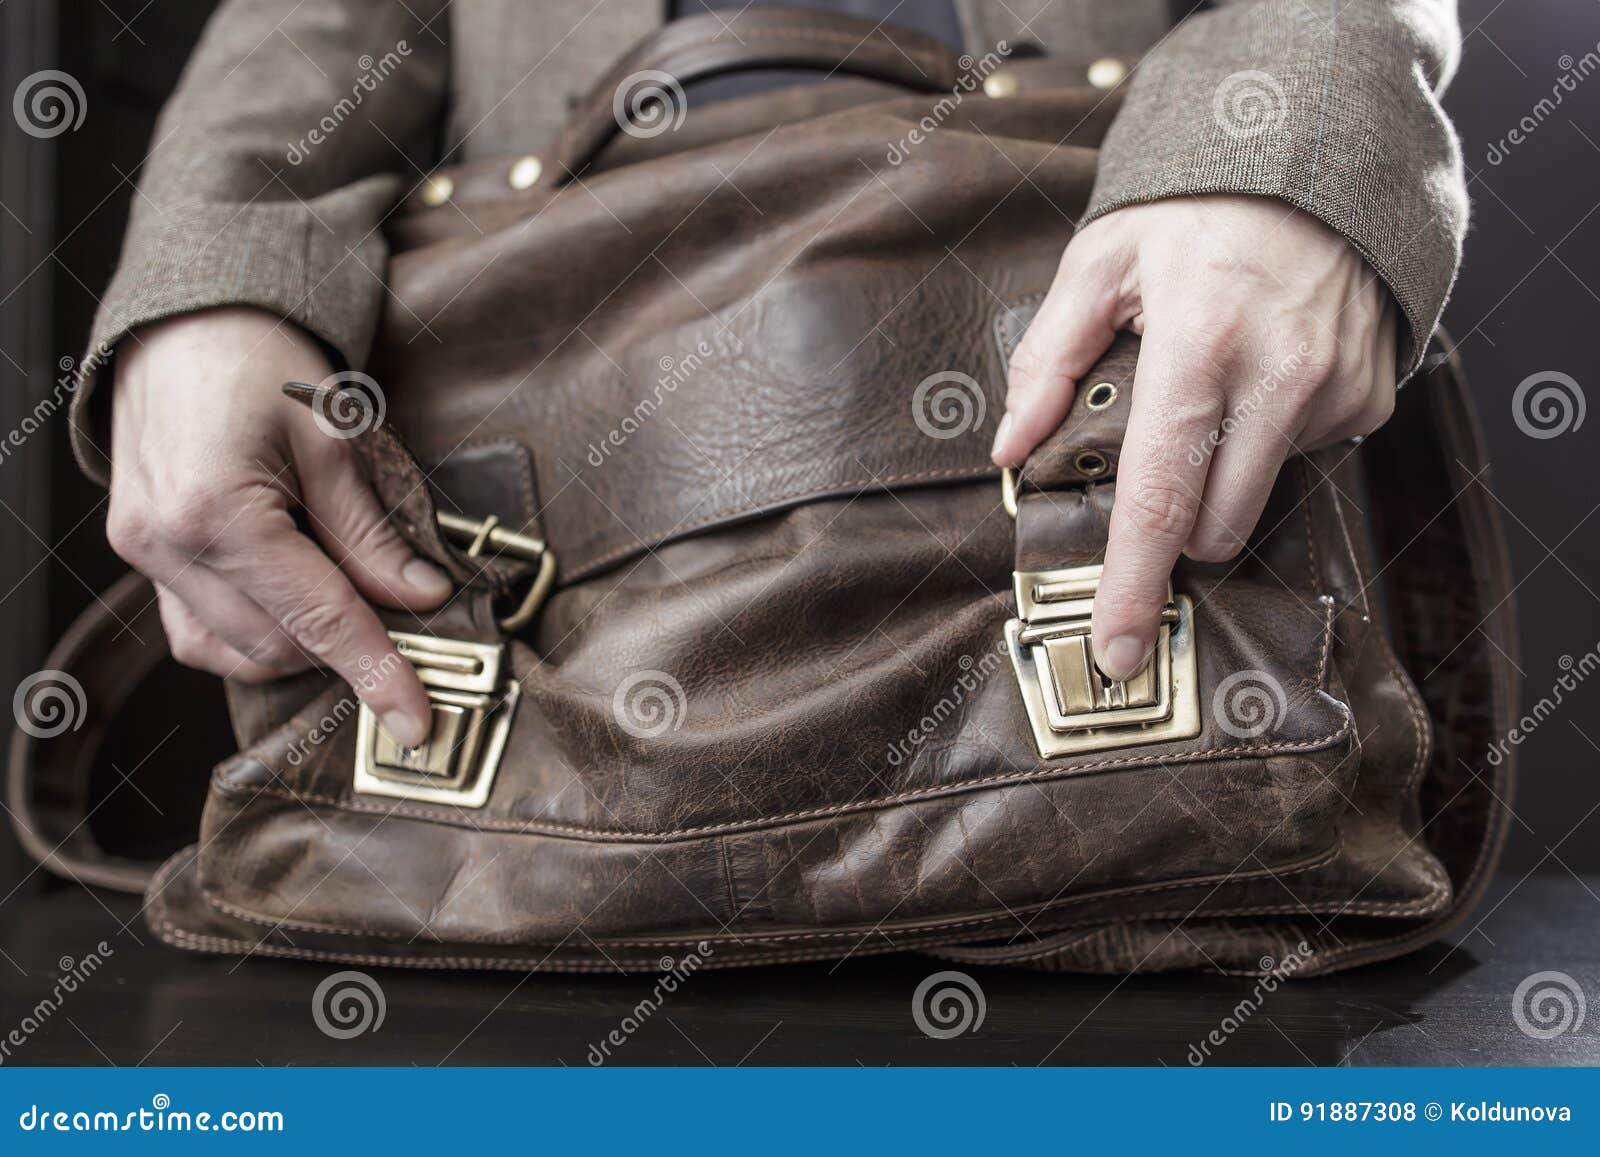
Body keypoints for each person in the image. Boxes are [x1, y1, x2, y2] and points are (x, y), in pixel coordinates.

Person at [76, 0, 1466, 748]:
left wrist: (1289, 146)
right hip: (556, 443)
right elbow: (309, 37)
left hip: (1116, 323)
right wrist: (209, 285)